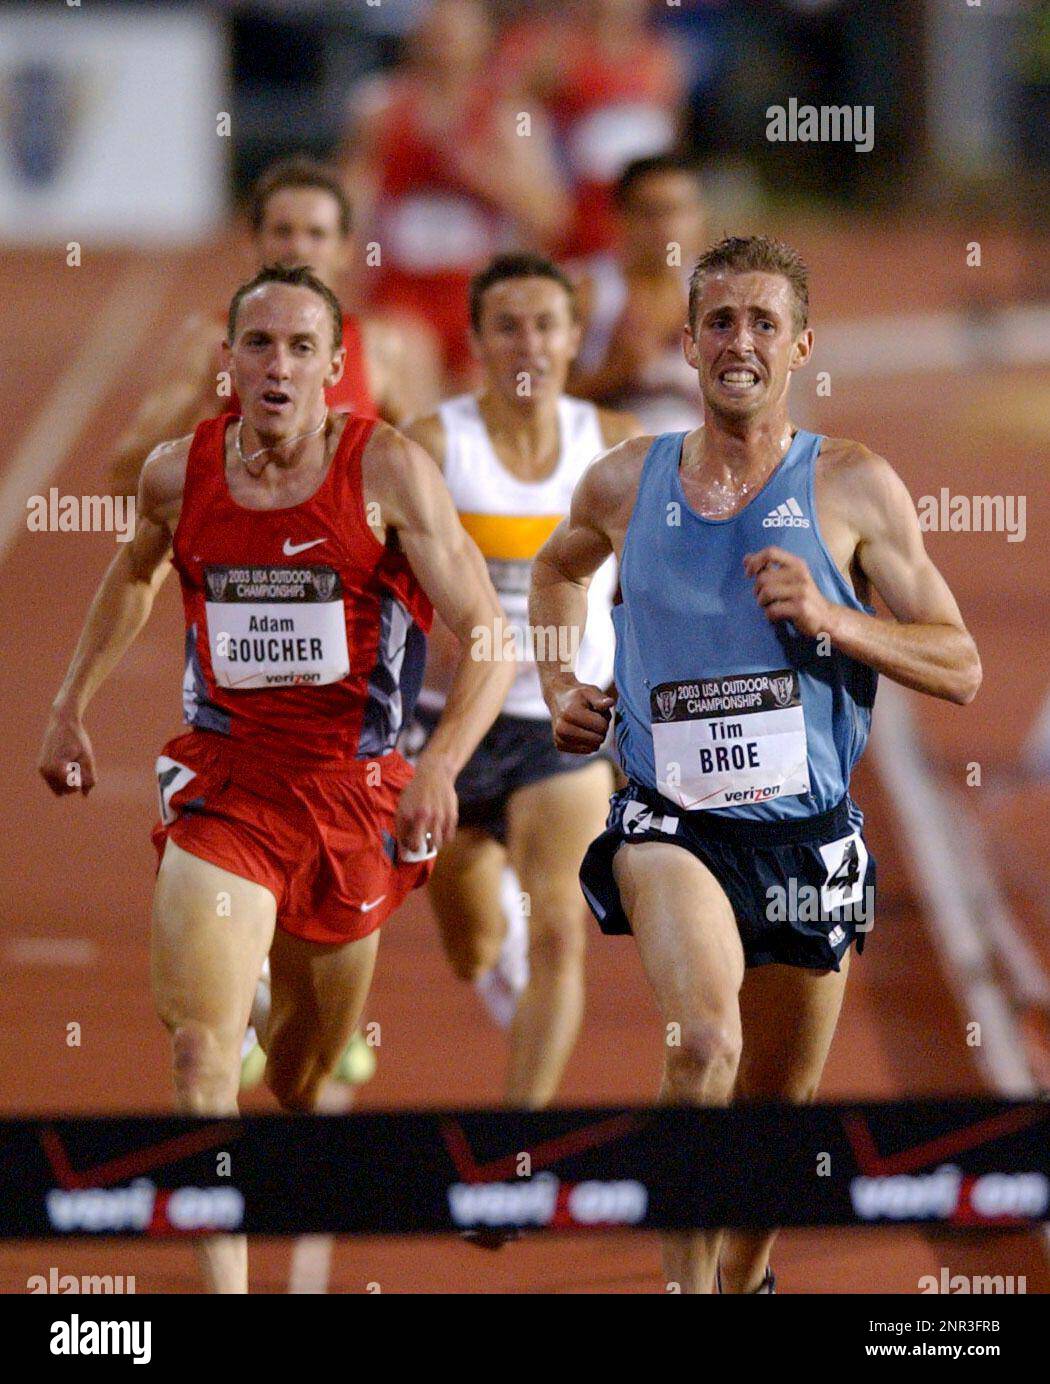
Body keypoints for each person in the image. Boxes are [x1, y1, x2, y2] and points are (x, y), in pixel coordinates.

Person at [38, 264, 513, 1293]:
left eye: (303, 348)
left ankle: (278, 1011)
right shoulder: (181, 471)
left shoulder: (388, 471)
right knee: (203, 1055)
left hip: (354, 799)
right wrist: (69, 703)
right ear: (229, 361)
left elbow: (489, 634)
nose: (279, 365)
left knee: (299, 1080)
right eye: (259, 345)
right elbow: (134, 569)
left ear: (339, 369)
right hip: (228, 783)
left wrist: (439, 762)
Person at [529, 235, 982, 1293]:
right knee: (703, 1047)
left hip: (808, 840)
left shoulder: (855, 485)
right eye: (720, 322)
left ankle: (740, 1283)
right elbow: (557, 572)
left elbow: (958, 664)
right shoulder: (623, 482)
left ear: (803, 344)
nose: (740, 342)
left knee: (775, 1119)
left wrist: (834, 619)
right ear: (686, 344)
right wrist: (561, 685)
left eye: (763, 323)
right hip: (670, 823)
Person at [404, 252, 640, 1110]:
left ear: (577, 335)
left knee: (559, 932)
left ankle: (518, 1144)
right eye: (507, 325)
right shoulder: (435, 445)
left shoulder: (616, 445)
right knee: (470, 949)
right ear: (475, 341)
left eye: (546, 323)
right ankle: (485, 896)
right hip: (451, 728)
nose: (528, 342)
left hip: (561, 724)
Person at [109, 156, 440, 499]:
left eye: (316, 234)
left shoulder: (381, 345)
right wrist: (200, 411)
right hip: (242, 544)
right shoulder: (211, 342)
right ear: (253, 243)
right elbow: (125, 476)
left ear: (345, 250)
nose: (297, 248)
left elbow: (432, 478)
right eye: (283, 232)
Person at [342, 0, 568, 385]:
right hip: (403, 288)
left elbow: (551, 215)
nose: (446, 40)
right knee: (411, 385)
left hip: (477, 288)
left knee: (475, 411)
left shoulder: (509, 116)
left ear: (481, 37)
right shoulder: (380, 107)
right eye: (438, 26)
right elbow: (348, 206)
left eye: (457, 28)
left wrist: (485, 178)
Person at [498, 0, 687, 257]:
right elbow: (515, 116)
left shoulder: (660, 59)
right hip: (579, 205)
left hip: (640, 200)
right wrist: (536, 184)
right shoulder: (556, 54)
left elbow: (672, 136)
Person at [569, 155, 708, 433]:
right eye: (652, 212)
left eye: (679, 210)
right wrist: (614, 374)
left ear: (701, 216)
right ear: (620, 218)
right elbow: (535, 407)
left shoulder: (720, 293)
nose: (667, 227)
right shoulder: (586, 293)